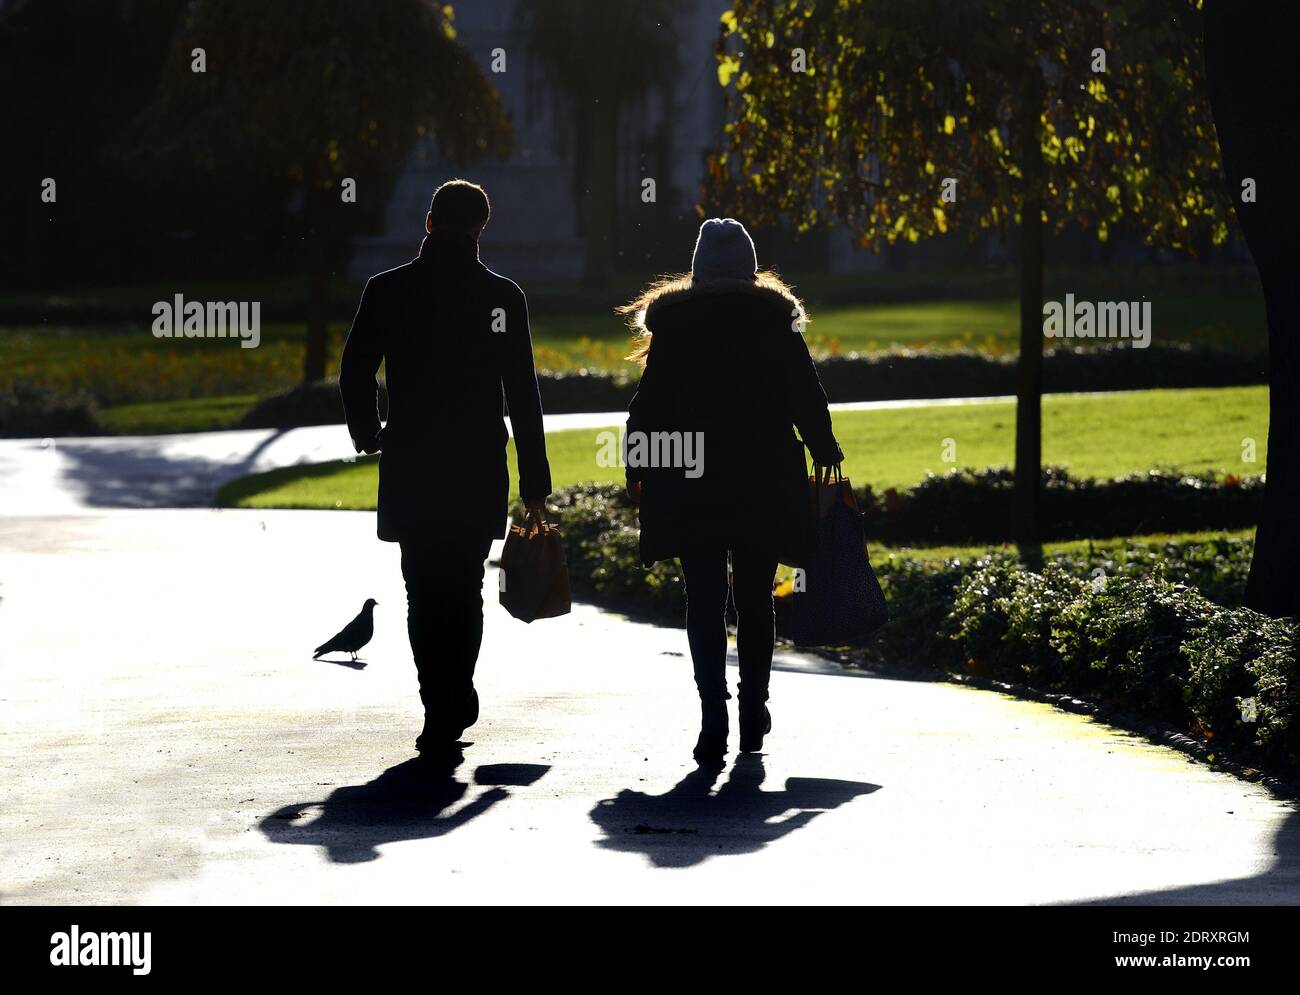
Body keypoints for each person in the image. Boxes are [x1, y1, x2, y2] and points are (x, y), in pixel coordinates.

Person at [619, 218, 842, 765]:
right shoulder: (775, 321)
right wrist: (824, 448)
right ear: (750, 266)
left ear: (697, 270)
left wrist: (636, 462)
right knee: (755, 599)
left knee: (703, 600)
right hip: (762, 474)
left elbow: (648, 405)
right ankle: (753, 708)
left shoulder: (673, 325)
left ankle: (711, 717)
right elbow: (805, 394)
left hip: (692, 479)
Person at [339, 179, 550, 752]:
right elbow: (521, 392)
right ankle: (456, 689)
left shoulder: (389, 291)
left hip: (413, 459)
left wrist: (368, 431)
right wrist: (535, 478)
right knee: (464, 586)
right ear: (482, 227)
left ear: (428, 222)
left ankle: (439, 700)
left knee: (421, 589)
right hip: (477, 461)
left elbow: (355, 369)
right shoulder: (502, 298)